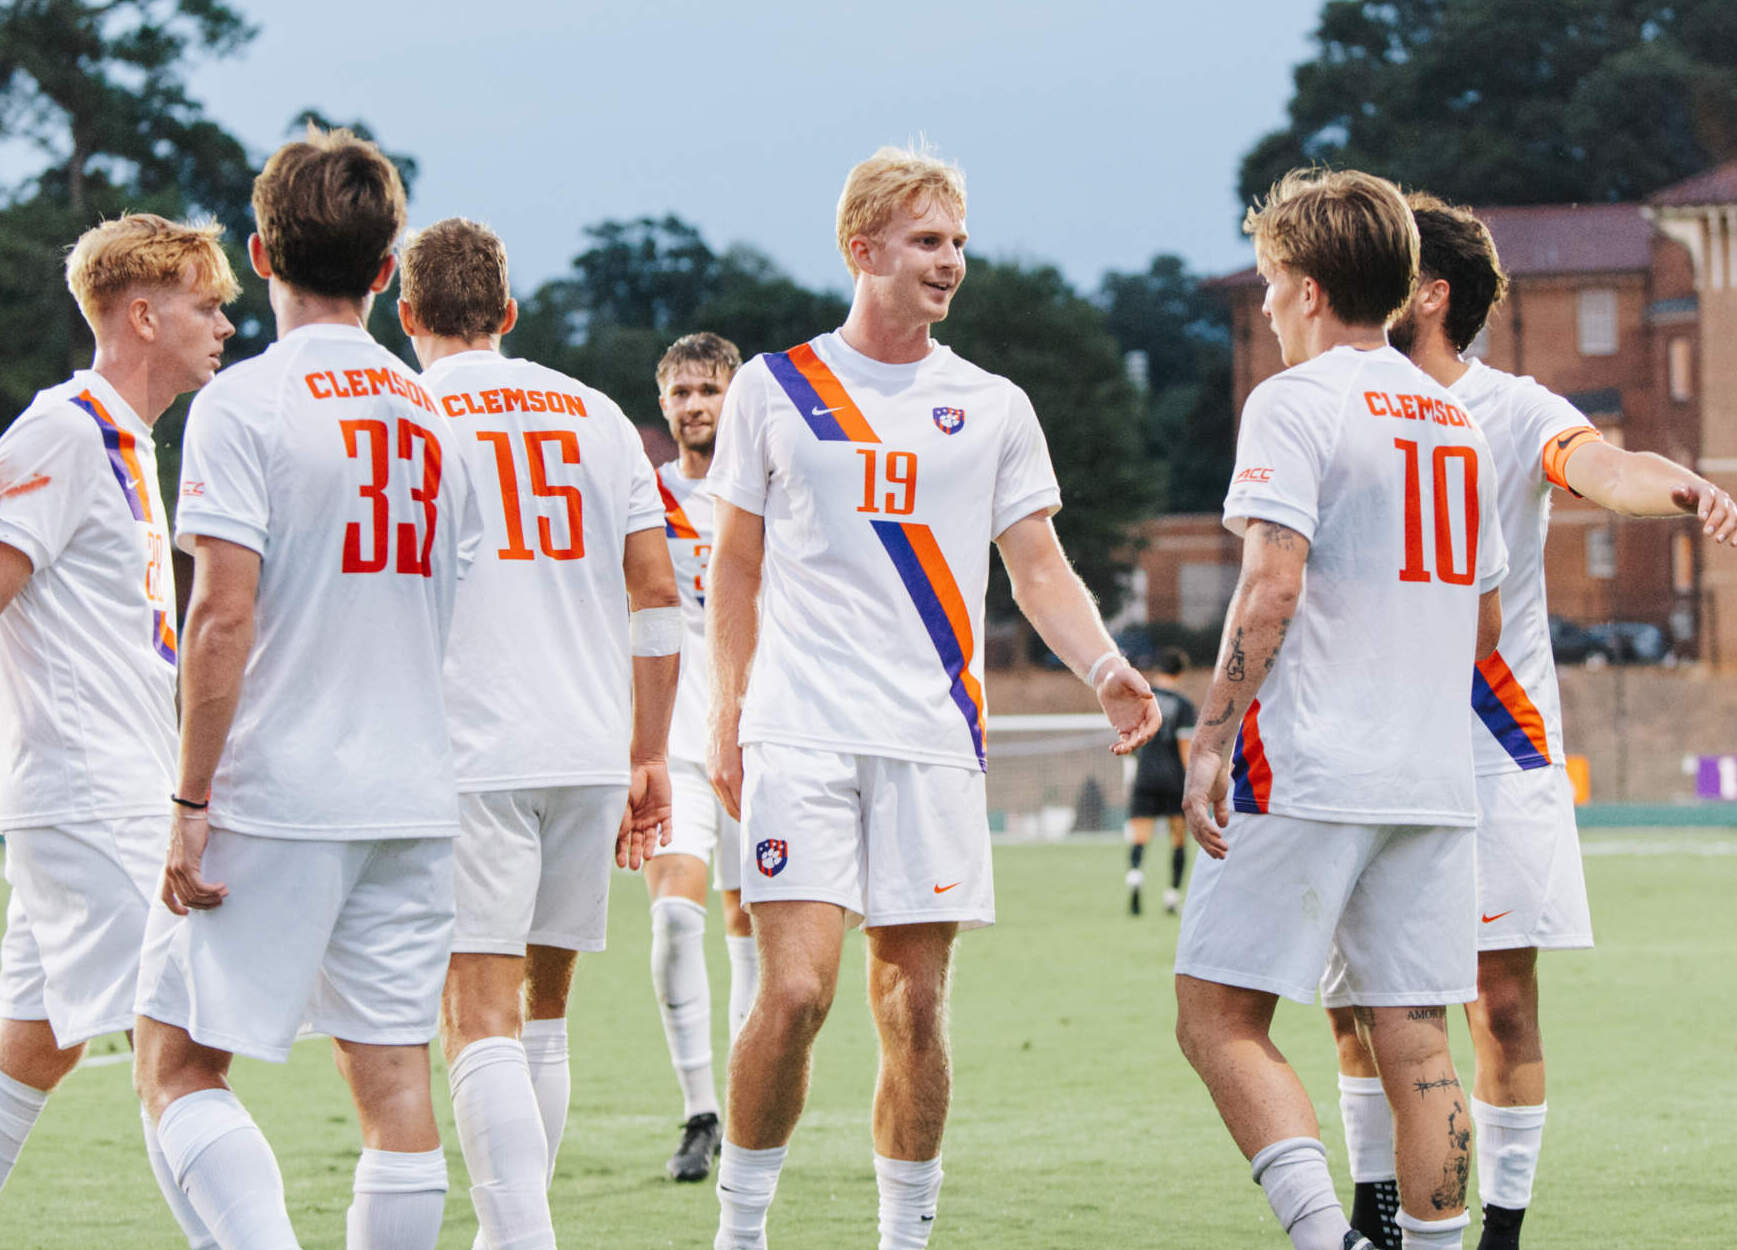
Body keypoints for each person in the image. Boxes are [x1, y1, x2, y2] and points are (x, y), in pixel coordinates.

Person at [705, 145, 1161, 1250]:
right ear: (863, 249)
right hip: (800, 728)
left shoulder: (992, 404)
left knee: (912, 1005)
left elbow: (1037, 566)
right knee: (798, 990)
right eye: (926, 240)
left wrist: (1104, 665)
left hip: (931, 737)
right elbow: (734, 565)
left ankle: (903, 1235)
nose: (950, 260)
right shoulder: (775, 387)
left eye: (957, 241)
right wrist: (725, 707)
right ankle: (741, 1228)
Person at [1323, 193, 1737, 1250]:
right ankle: (1377, 1214)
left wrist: (1678, 486)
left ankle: (1501, 1227)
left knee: (1499, 998)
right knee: (1360, 1003)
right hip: (1365, 744)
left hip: (1495, 746)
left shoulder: (1516, 408)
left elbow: (1600, 466)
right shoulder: (1328, 403)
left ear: (1431, 293)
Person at [131, 127, 483, 1250]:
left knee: (175, 1059)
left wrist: (189, 804)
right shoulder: (439, 418)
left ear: (258, 251)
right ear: (388, 271)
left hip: (278, 789)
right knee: (394, 1086)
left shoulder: (245, 403)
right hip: (414, 791)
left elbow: (222, 615)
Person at [1173, 168, 1507, 1250]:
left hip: (1311, 761)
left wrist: (1213, 733)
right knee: (1419, 1046)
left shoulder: (1295, 399)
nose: (1266, 307)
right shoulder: (1460, 422)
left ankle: (1327, 1239)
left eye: (1270, 283)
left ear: (1308, 287)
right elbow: (1486, 625)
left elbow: (1273, 581)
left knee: (1217, 1016)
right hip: (1433, 776)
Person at [399, 216, 679, 1248]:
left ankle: (523, 1238)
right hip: (589, 742)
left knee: (477, 1013)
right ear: (509, 314)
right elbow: (657, 594)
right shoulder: (597, 412)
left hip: (468, 748)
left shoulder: (409, 409)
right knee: (544, 1009)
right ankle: (515, 1230)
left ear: (407, 310)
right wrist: (649, 749)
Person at [0, 215, 237, 1245]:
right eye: (205, 302)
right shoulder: (64, 428)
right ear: (142, 313)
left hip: (103, 787)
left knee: (30, 1047)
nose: (224, 322)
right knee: (181, 1051)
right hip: (91, 792)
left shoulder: (129, 437)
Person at [642, 331, 754, 1183]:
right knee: (675, 920)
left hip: (760, 743)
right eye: (681, 393)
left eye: (709, 391)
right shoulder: (643, 499)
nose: (694, 406)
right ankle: (698, 1110)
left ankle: (747, 1105)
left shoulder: (769, 495)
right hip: (676, 744)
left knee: (750, 932)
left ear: (736, 396)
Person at [1122, 645, 1196, 915]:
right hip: (1174, 780)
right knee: (1178, 839)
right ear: (1181, 673)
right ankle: (1171, 897)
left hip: (1145, 777)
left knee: (1140, 836)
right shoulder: (1184, 706)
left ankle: (1135, 879)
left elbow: (1129, 741)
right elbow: (1185, 749)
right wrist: (1193, 784)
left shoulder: (1142, 700)